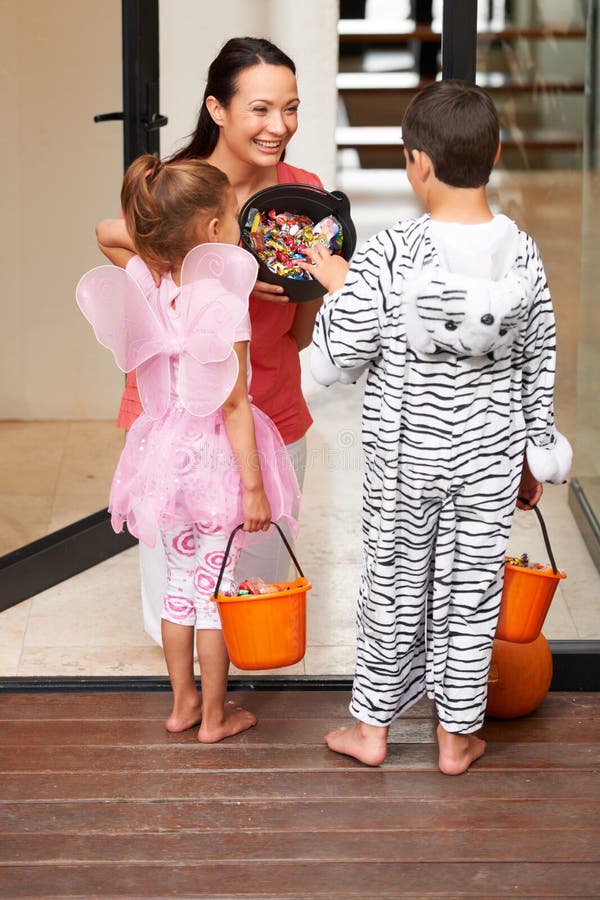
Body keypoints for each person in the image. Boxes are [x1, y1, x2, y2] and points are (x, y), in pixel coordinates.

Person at [306, 79, 573, 774]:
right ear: (496, 151)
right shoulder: (522, 253)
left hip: (404, 458)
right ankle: (456, 739)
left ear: (416, 162)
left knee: (392, 584)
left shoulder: (395, 250)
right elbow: (537, 357)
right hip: (486, 457)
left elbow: (343, 350)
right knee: (471, 589)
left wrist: (339, 284)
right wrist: (533, 450)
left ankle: (371, 729)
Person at [96, 37, 324, 646]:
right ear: (217, 110)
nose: (280, 126)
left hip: (270, 411)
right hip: (175, 424)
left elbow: (303, 325)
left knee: (256, 601)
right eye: (260, 109)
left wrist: (300, 292)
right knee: (175, 588)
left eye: (291, 108)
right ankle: (188, 702)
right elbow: (108, 235)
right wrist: (211, 263)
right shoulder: (182, 187)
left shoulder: (303, 192)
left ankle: (226, 701)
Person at [79, 154, 300, 741]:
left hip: (161, 459)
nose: (239, 232)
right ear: (210, 233)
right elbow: (232, 405)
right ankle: (218, 715)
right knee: (214, 593)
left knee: (180, 588)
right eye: (231, 221)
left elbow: (112, 238)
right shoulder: (224, 306)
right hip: (216, 467)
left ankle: (182, 706)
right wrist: (254, 486)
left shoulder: (148, 283)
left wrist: (157, 237)